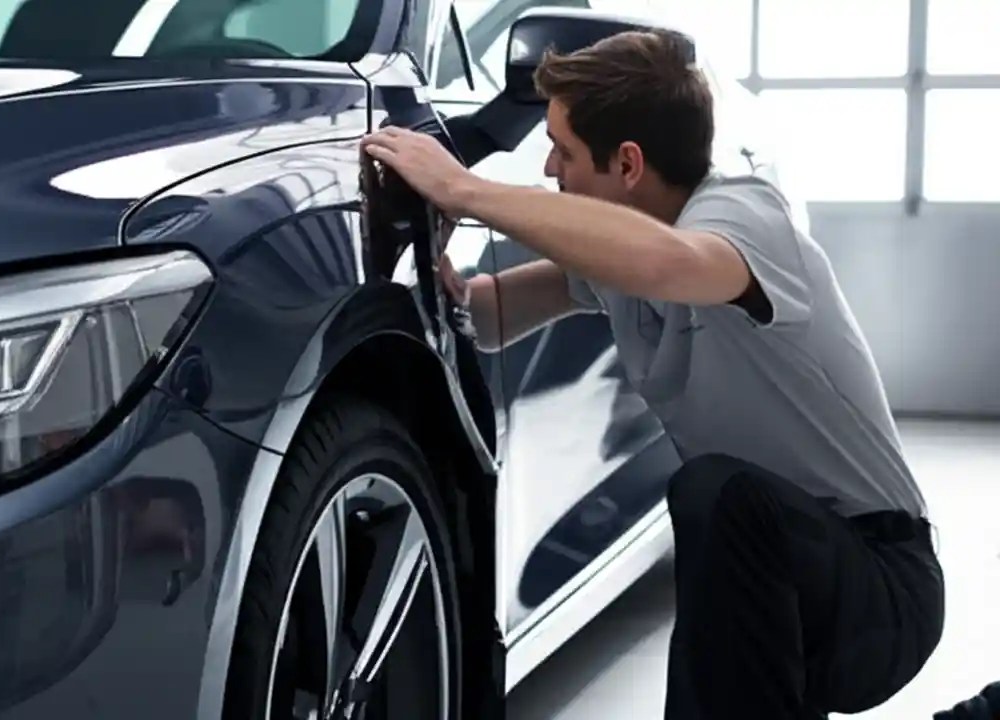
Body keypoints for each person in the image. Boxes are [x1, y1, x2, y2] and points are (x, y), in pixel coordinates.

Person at [360, 28, 945, 720]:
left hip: (882, 586)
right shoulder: (621, 259)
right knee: (720, 514)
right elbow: (488, 318)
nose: (549, 167)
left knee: (715, 493)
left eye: (564, 149)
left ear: (628, 164)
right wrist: (438, 273)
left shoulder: (743, 215)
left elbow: (672, 263)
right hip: (785, 571)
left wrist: (466, 188)